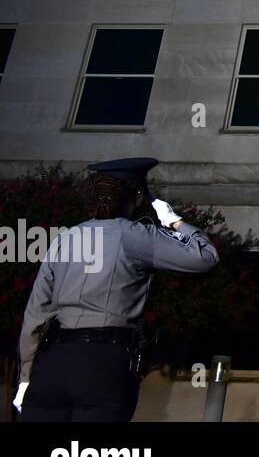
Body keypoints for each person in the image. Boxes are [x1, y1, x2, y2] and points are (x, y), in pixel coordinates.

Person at [15, 157, 220, 421]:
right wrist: (173, 220)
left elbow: (35, 314)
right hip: (104, 362)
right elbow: (205, 256)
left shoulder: (65, 238)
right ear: (137, 197)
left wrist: (26, 376)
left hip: (53, 362)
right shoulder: (135, 235)